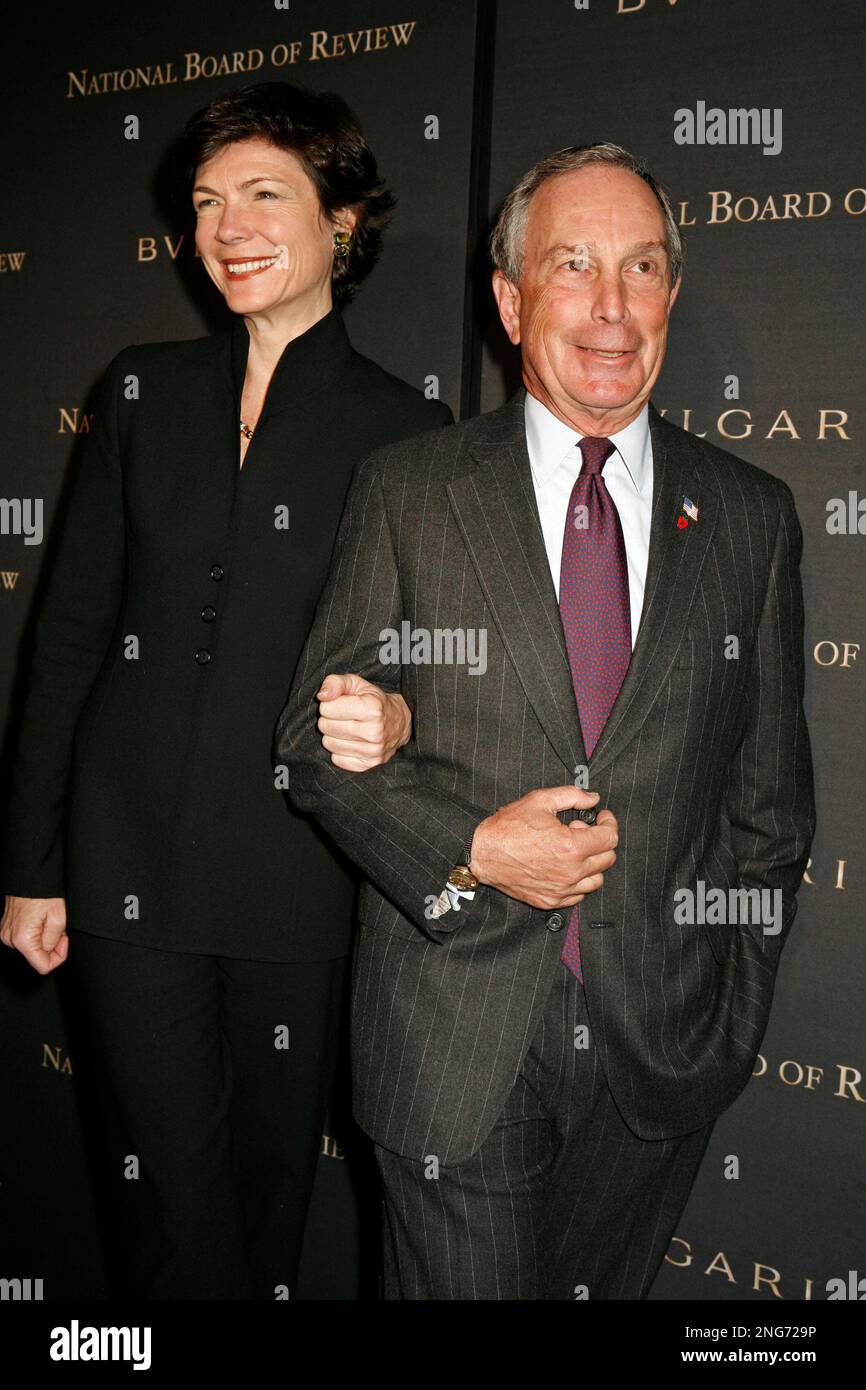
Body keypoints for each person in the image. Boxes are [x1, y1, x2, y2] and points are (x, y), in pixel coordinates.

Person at [275, 143, 816, 1300]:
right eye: (572, 266)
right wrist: (470, 847)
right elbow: (311, 751)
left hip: (657, 1054)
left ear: (672, 292)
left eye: (642, 267)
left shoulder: (749, 518)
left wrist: (726, 1013)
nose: (611, 308)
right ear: (512, 300)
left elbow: (768, 813)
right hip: (449, 1036)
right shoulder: (408, 490)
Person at [0, 81, 451, 1299]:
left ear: (343, 221)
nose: (227, 226)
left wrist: (401, 713)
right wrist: (34, 861)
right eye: (206, 203)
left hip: (297, 880)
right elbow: (68, 638)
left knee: (266, 1206)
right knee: (170, 1218)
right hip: (123, 860)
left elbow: (428, 664)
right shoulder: (140, 388)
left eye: (264, 194)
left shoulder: (410, 430)